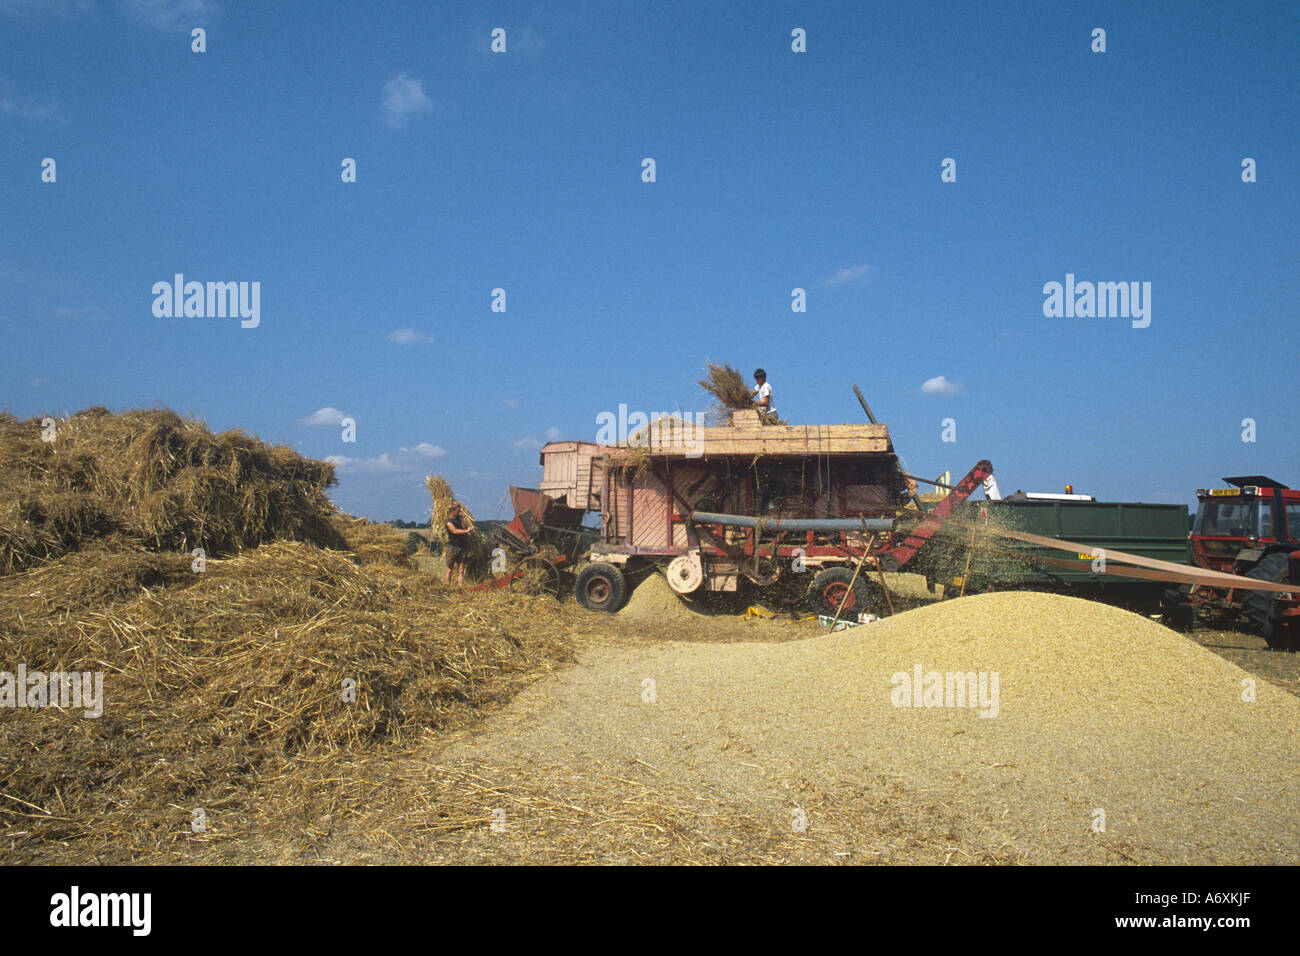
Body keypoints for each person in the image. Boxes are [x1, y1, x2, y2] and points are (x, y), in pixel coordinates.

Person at [444, 503, 472, 586]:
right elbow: (454, 531)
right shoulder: (448, 522)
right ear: (452, 511)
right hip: (452, 548)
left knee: (461, 569)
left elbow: (463, 528)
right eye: (458, 510)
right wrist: (466, 531)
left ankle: (460, 587)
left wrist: (462, 521)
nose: (459, 511)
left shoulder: (459, 520)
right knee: (450, 569)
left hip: (461, 547)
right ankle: (447, 587)